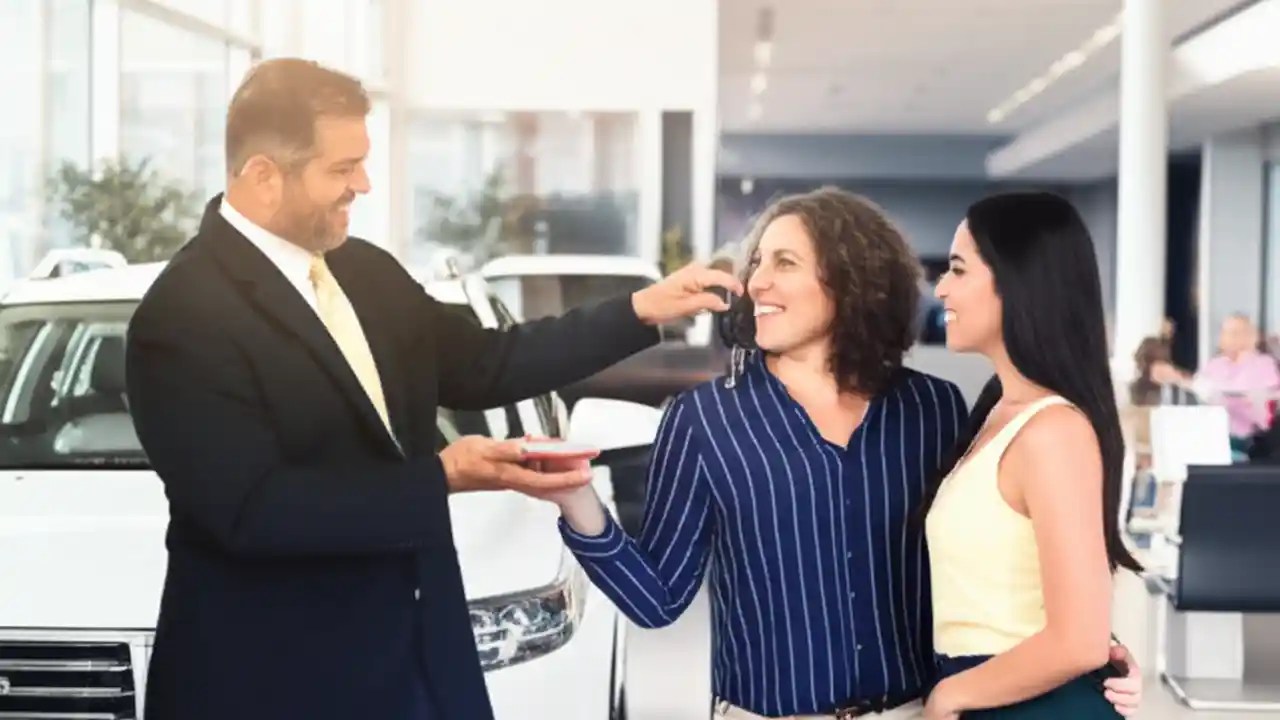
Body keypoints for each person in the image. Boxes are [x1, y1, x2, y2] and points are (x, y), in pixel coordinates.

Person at [123, 58, 740, 720]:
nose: (362, 184)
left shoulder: (365, 271)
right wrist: (440, 476)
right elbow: (254, 510)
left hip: (421, 663)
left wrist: (642, 309)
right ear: (263, 176)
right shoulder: (180, 317)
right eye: (341, 168)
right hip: (278, 682)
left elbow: (486, 362)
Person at [534, 187, 1142, 719]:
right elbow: (657, 600)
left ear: (850, 281)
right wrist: (576, 500)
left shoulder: (933, 410)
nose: (757, 282)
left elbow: (984, 562)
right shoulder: (705, 421)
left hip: (916, 712)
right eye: (757, 263)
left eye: (785, 262)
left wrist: (1088, 655)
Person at [922, 192, 1143, 719]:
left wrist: (950, 695)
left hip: (1023, 703)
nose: (941, 287)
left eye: (958, 269)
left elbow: (1078, 642)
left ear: (1017, 282)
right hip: (994, 691)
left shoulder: (1053, 430)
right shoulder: (997, 411)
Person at [1153, 313, 1280, 459]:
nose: (1227, 338)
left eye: (1235, 333)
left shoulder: (1263, 365)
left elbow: (1227, 393)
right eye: (1225, 333)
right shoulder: (1215, 365)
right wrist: (1179, 380)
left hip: (1251, 439)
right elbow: (1201, 387)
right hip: (1211, 434)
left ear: (1251, 337)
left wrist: (1182, 379)